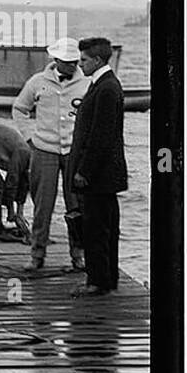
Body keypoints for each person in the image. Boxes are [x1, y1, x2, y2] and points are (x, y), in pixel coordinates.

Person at [11, 37, 90, 272]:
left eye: (74, 61)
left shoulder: (86, 84)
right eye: (66, 61)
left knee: (76, 206)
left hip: (73, 152)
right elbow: (19, 108)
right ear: (55, 60)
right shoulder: (37, 82)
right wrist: (29, 138)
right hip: (44, 150)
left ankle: (78, 255)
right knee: (42, 206)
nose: (71, 65)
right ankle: (37, 255)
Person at [68, 37, 127, 296]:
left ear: (97, 60)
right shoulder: (104, 85)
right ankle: (106, 278)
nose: (79, 65)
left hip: (99, 175)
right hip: (105, 174)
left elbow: (100, 136)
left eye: (83, 60)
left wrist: (84, 171)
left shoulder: (105, 88)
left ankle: (97, 281)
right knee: (104, 227)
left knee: (96, 228)